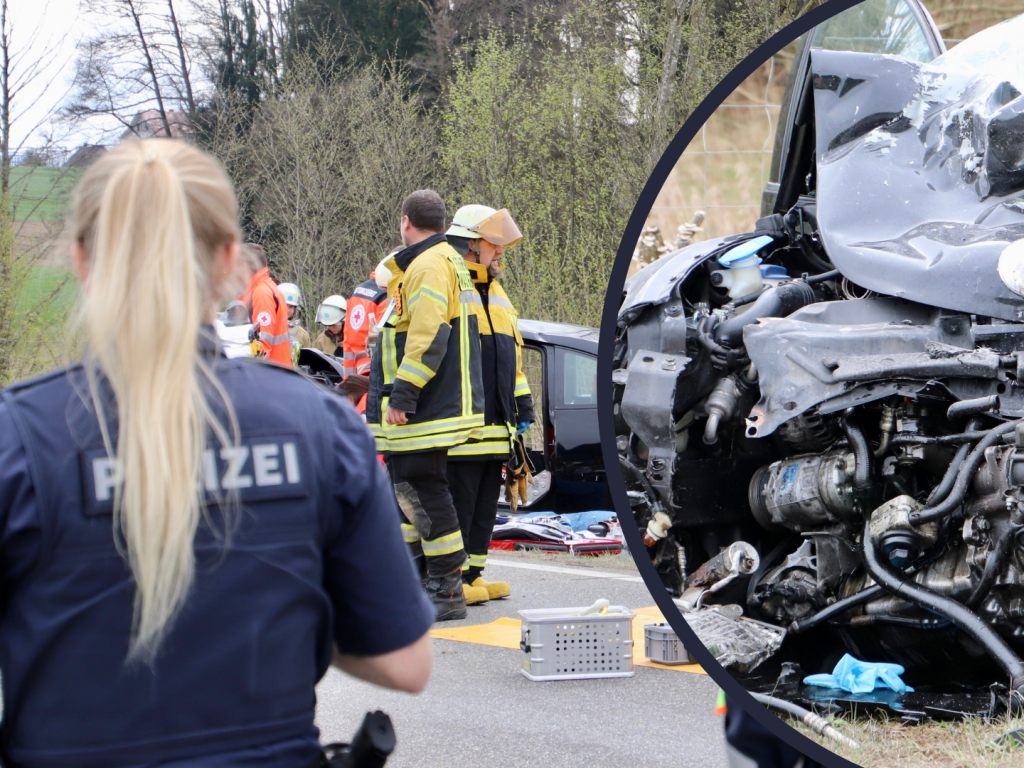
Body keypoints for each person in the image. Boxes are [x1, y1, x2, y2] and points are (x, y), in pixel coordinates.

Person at [0, 138, 433, 766]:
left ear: (82, 260)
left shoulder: (20, 436)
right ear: (229, 260)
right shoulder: (320, 429)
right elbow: (406, 661)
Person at [367, 189, 486, 620]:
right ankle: (418, 581)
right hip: (424, 402)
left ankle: (446, 590)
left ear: (405, 221)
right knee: (406, 488)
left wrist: (404, 394)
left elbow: (427, 334)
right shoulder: (438, 262)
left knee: (423, 488)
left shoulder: (430, 265)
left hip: (423, 405)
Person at [445, 204, 534, 603]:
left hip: (498, 425)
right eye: (492, 243)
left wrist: (524, 407)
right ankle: (454, 577)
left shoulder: (496, 291)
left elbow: (510, 359)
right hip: (463, 424)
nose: (499, 251)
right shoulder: (450, 282)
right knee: (459, 503)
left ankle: (475, 573)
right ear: (469, 243)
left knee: (485, 506)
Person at [240, 242, 292, 366]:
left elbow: (262, 346)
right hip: (277, 368)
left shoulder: (261, 293)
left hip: (271, 371)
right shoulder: (267, 287)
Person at [343, 260, 392, 378]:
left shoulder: (357, 292)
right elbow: (385, 339)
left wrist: (347, 380)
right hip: (374, 370)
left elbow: (347, 338)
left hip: (354, 371)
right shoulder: (386, 296)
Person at [278, 281, 312, 360]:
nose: (288, 310)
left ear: (296, 309)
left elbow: (308, 362)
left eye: (291, 307)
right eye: (284, 305)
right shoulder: (270, 329)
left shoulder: (303, 335)